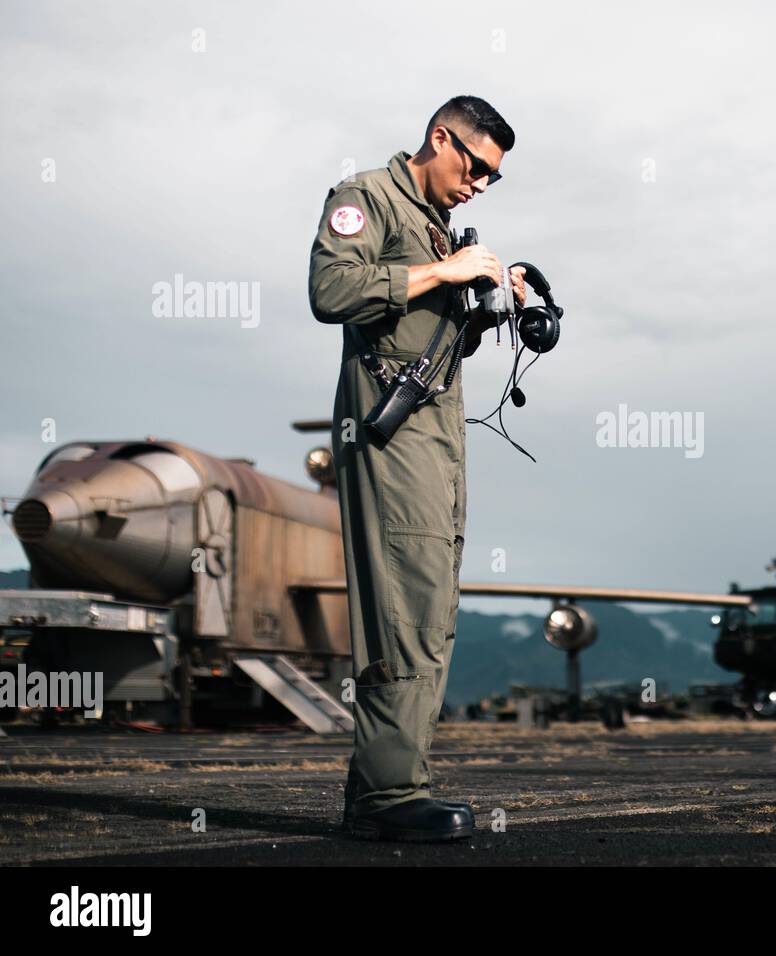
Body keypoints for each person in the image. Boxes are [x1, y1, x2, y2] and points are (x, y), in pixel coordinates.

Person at [308, 95, 525, 842]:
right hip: (393, 443)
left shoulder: (435, 230)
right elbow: (331, 292)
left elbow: (427, 342)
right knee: (405, 610)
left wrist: (487, 299)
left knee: (430, 609)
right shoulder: (366, 197)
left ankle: (396, 785)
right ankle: (387, 798)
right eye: (476, 168)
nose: (479, 187)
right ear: (441, 139)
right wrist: (444, 272)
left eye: (493, 180)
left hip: (437, 448)